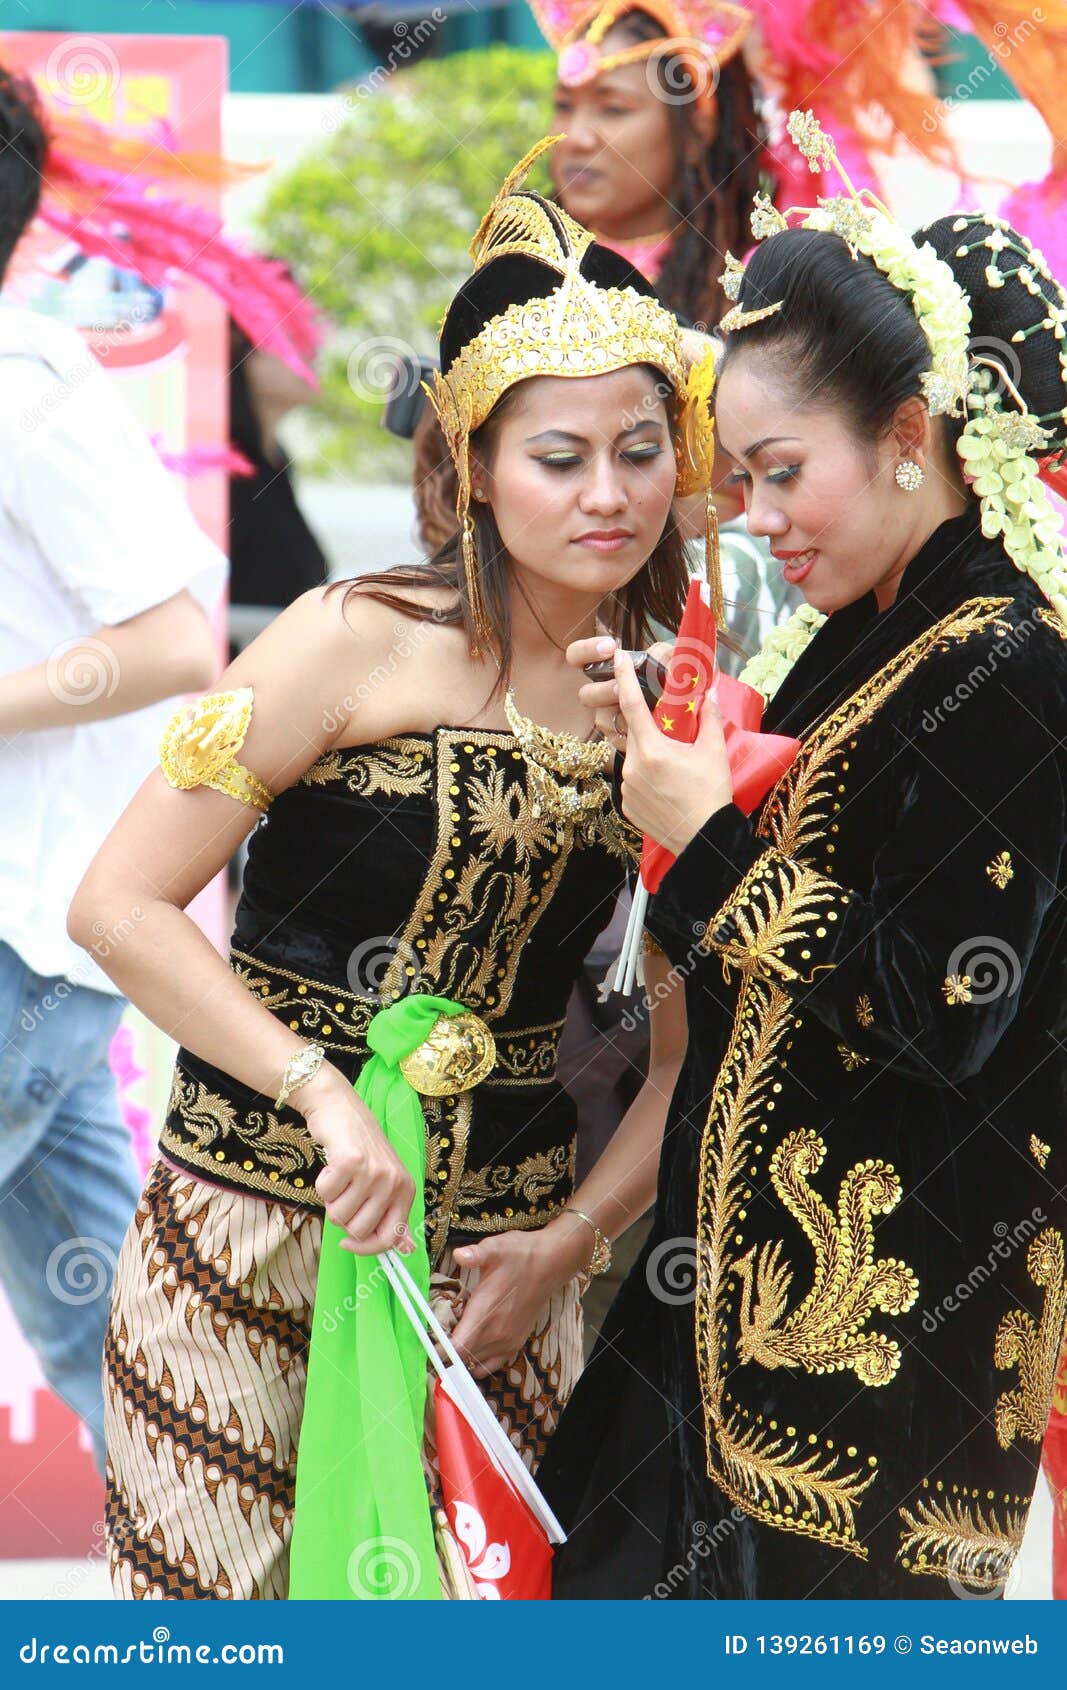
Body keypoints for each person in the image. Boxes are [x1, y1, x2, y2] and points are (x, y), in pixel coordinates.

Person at [68, 151, 704, 1600]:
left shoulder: (671, 706)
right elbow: (117, 905)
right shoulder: (351, 637)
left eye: (640, 450)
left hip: (493, 1294)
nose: (609, 495)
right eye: (559, 458)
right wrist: (320, 1091)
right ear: (474, 465)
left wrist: (566, 1247)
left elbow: (684, 1056)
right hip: (252, 1243)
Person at [541, 110, 1067, 1599]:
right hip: (725, 1329)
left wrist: (705, 836)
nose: (757, 520)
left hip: (874, 1386)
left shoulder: (1008, 666)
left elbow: (946, 1005)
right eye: (742, 481)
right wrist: (673, 749)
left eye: (781, 473)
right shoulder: (868, 636)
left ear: (908, 436)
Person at [0, 67, 224, 1478]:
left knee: (109, 1330)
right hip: (44, 942)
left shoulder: (25, 390)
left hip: (23, 939)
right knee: (112, 1341)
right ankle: (235, 1565)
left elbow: (175, 641)